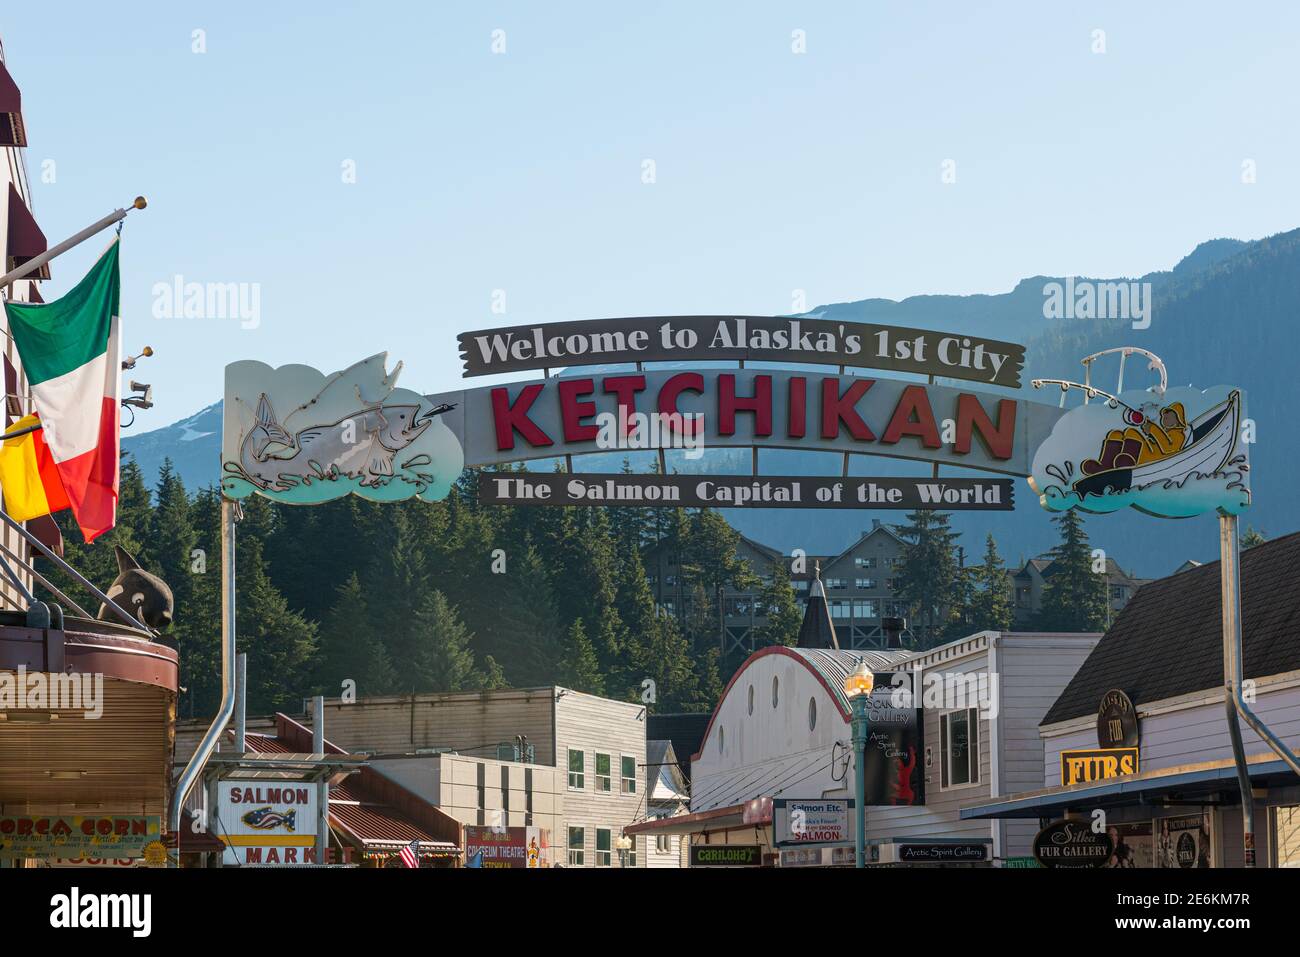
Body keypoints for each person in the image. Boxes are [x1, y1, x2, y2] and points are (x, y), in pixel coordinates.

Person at [1082, 403, 1189, 476]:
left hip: (1155, 461)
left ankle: (1127, 461)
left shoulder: (1179, 434)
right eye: (1164, 417)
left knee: (1131, 432)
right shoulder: (1165, 432)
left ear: (1178, 420)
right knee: (1116, 434)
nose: (1164, 418)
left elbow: (1168, 448)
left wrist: (1152, 428)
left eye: (1168, 417)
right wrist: (1150, 431)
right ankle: (1104, 466)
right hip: (1148, 454)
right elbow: (1158, 441)